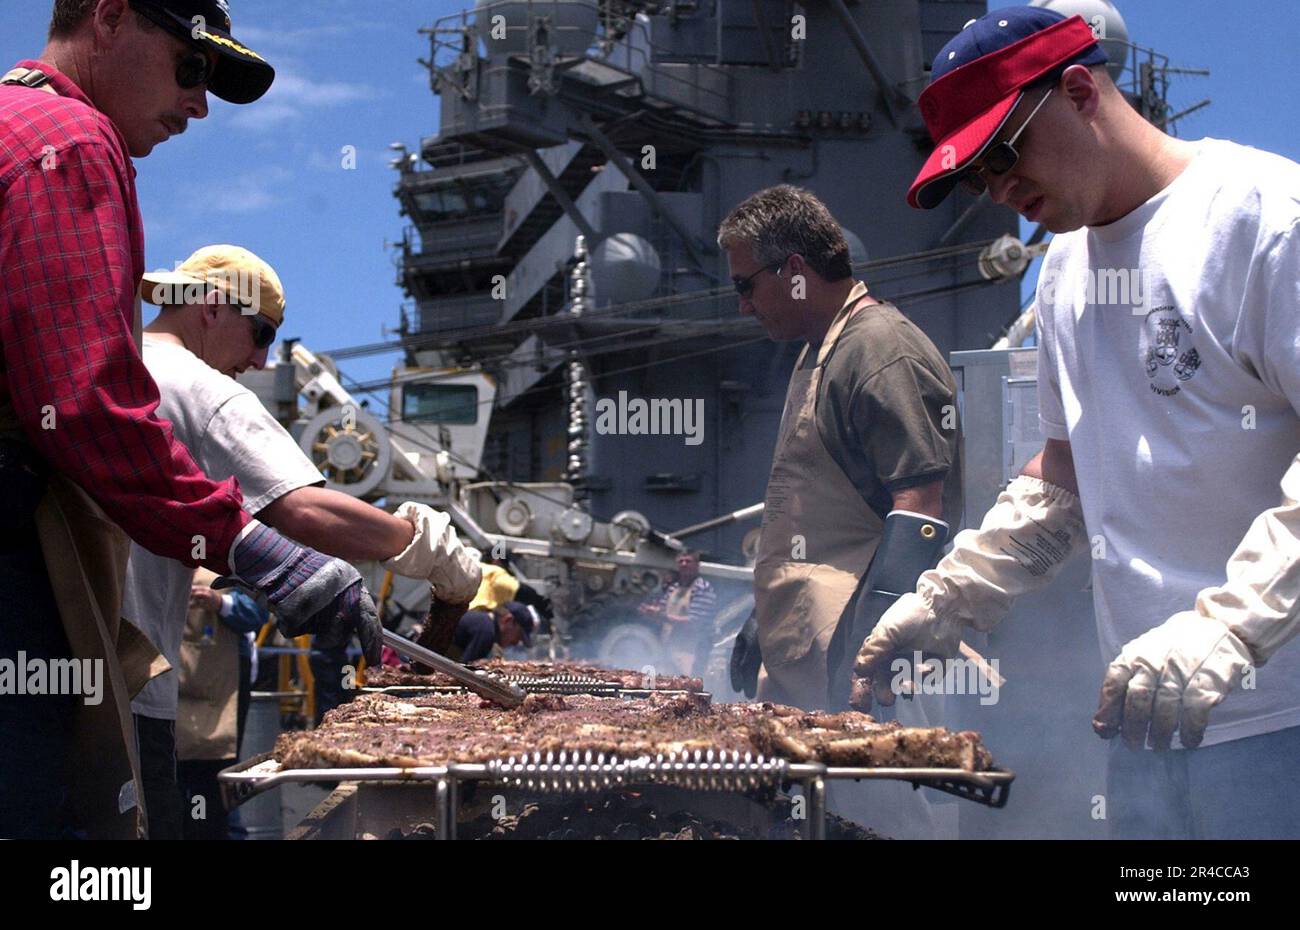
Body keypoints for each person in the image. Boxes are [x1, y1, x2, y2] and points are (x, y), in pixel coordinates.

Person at [856, 6, 1300, 839]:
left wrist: (1230, 629)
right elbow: (1064, 471)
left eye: (1002, 154)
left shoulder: (1266, 218)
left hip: (1281, 723)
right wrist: (953, 595)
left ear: (1078, 89)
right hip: (1143, 719)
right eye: (976, 177)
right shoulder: (1064, 269)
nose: (998, 190)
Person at [0, 0, 382, 840]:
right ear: (109, 17)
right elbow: (89, 403)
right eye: (192, 66)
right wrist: (254, 547)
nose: (199, 103)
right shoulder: (67, 142)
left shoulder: (12, 125)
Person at [125, 244, 483, 838]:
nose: (263, 360)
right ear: (213, 307)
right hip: (137, 690)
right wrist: (422, 543)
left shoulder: (119, 363)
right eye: (260, 333)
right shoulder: (201, 387)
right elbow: (304, 509)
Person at [719, 185, 963, 839]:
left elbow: (921, 510)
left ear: (794, 272)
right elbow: (814, 518)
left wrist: (866, 657)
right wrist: (762, 618)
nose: (743, 304)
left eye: (747, 285)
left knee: (880, 828)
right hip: (810, 664)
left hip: (859, 677)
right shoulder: (819, 350)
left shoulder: (878, 350)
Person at [174, 567, 266, 841]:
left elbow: (257, 614)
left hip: (221, 690)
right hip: (174, 684)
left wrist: (220, 602)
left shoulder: (234, 563)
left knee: (219, 777)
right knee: (173, 777)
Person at [638, 551, 718, 676]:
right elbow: (663, 612)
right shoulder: (673, 587)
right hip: (670, 648)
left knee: (689, 688)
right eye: (681, 561)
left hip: (692, 652)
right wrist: (651, 612)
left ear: (697, 565)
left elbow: (695, 622)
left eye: (688, 561)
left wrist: (661, 615)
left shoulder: (702, 588)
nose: (684, 564)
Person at [453, 602, 535, 663]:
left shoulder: (484, 622)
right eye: (518, 635)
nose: (516, 643)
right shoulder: (486, 631)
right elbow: (464, 672)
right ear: (507, 620)